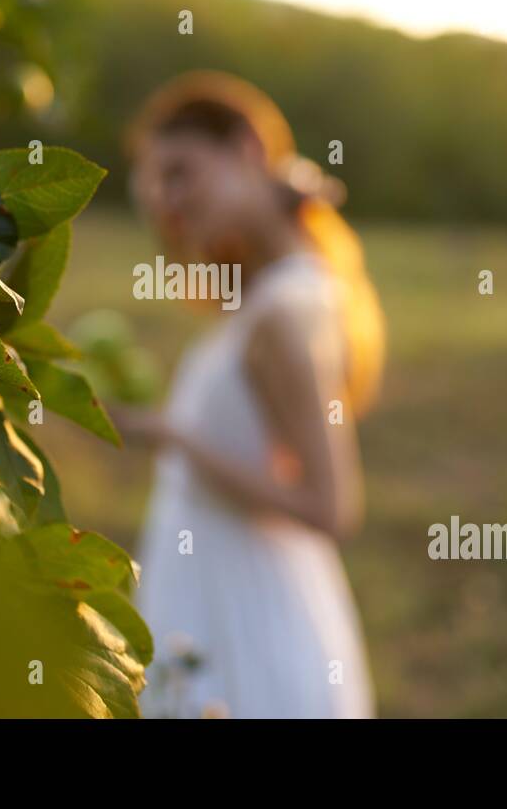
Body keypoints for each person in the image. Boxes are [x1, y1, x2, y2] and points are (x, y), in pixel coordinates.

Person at [116, 71, 385, 718]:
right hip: (218, 599)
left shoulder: (283, 312)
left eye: (181, 172)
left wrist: (173, 437)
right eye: (156, 186)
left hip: (247, 619)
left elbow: (331, 505)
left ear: (246, 148)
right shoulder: (271, 294)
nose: (168, 200)